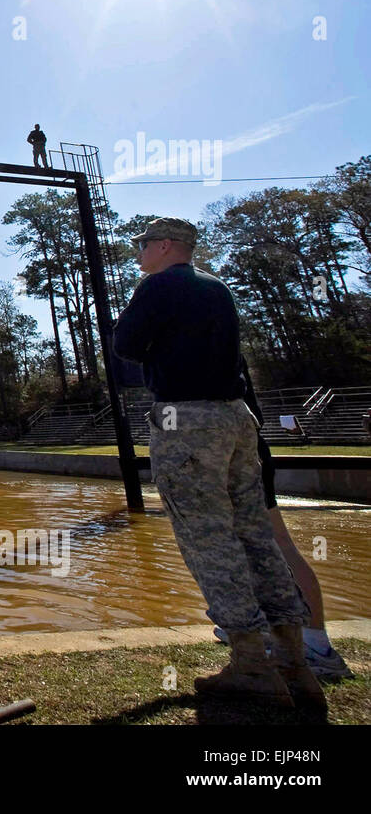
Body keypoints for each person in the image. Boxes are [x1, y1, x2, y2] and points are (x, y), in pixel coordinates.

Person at [113, 217, 325, 711]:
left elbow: (124, 346)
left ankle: (251, 664)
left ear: (166, 246)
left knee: (208, 537)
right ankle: (294, 661)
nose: (139, 253)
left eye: (143, 245)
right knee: (255, 534)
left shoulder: (156, 286)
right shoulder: (218, 287)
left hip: (182, 418)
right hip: (236, 418)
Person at [213, 367, 354, 681]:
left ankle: (315, 643)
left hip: (240, 453)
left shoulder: (211, 337)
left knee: (278, 543)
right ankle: (265, 627)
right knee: (247, 545)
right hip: (238, 448)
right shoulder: (216, 333)